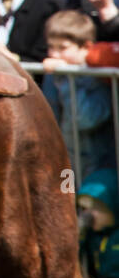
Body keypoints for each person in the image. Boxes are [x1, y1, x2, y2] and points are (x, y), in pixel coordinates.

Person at [41, 11, 115, 183]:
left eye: (63, 48)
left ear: (86, 47)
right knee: (67, 201)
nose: (54, 55)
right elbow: (49, 113)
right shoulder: (55, 74)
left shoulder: (99, 77)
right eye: (51, 47)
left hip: (97, 163)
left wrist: (65, 80)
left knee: (90, 205)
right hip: (65, 161)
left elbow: (85, 119)